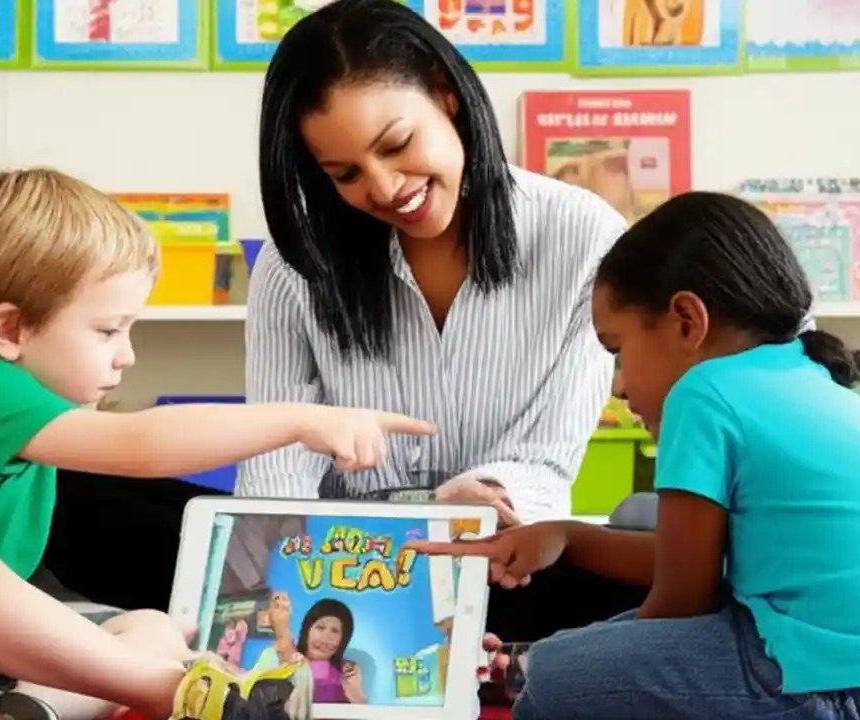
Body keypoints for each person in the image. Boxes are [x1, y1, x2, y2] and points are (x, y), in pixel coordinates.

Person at [0, 168, 435, 720]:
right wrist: (303, 419)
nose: (127, 356)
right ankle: (169, 689)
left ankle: (25, 711)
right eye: (109, 331)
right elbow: (142, 444)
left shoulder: (29, 415)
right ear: (10, 331)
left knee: (155, 627)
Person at [410, 191, 860, 719]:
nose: (617, 385)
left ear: (686, 321)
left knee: (556, 685)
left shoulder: (706, 391)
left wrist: (553, 663)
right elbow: (699, 569)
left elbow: (682, 605)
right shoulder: (793, 373)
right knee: (565, 660)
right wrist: (566, 536)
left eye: (617, 351)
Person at [239, 0, 645, 642]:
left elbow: (547, 457)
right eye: (344, 173)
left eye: (397, 145)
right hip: (346, 578)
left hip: (507, 565)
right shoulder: (297, 269)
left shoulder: (581, 233)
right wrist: (274, 589)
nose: (384, 188)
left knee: (654, 586)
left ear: (445, 94)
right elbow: (276, 472)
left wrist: (474, 498)